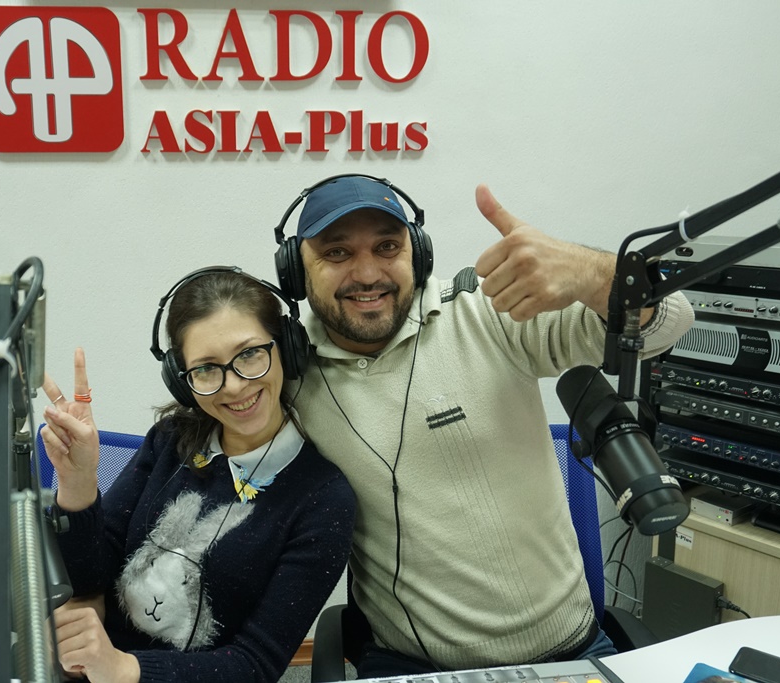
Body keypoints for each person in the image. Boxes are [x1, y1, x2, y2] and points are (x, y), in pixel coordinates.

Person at [271, 175, 696, 677]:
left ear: (418, 253)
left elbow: (670, 321)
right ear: (296, 271)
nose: (367, 274)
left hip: (569, 653)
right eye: (336, 253)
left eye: (387, 246)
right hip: (409, 666)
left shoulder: (487, 312)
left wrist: (589, 273)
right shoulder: (286, 375)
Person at [39, 268, 356, 683]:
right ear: (182, 379)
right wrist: (78, 482)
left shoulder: (323, 499)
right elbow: (89, 577)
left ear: (286, 347)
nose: (234, 386)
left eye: (249, 354)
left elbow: (256, 665)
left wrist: (123, 668)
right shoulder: (171, 440)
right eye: (206, 368)